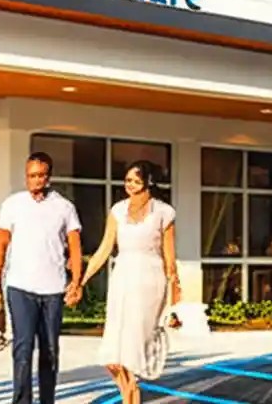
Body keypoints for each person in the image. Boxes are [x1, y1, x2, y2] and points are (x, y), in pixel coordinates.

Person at [79, 161, 180, 404]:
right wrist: (81, 280)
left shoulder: (163, 212)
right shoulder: (118, 211)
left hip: (150, 281)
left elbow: (170, 261)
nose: (130, 185)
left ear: (148, 183)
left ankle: (131, 396)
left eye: (135, 181)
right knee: (113, 351)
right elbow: (104, 249)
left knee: (133, 347)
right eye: (127, 180)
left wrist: (174, 302)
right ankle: (129, 394)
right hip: (123, 277)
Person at [0, 152, 83, 404]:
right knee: (23, 350)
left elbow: (74, 247)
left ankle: (47, 400)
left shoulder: (64, 207)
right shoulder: (12, 204)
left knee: (50, 351)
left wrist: (77, 282)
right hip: (20, 288)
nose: (36, 181)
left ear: (48, 176)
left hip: (52, 289)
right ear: (26, 176)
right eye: (31, 176)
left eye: (41, 175)